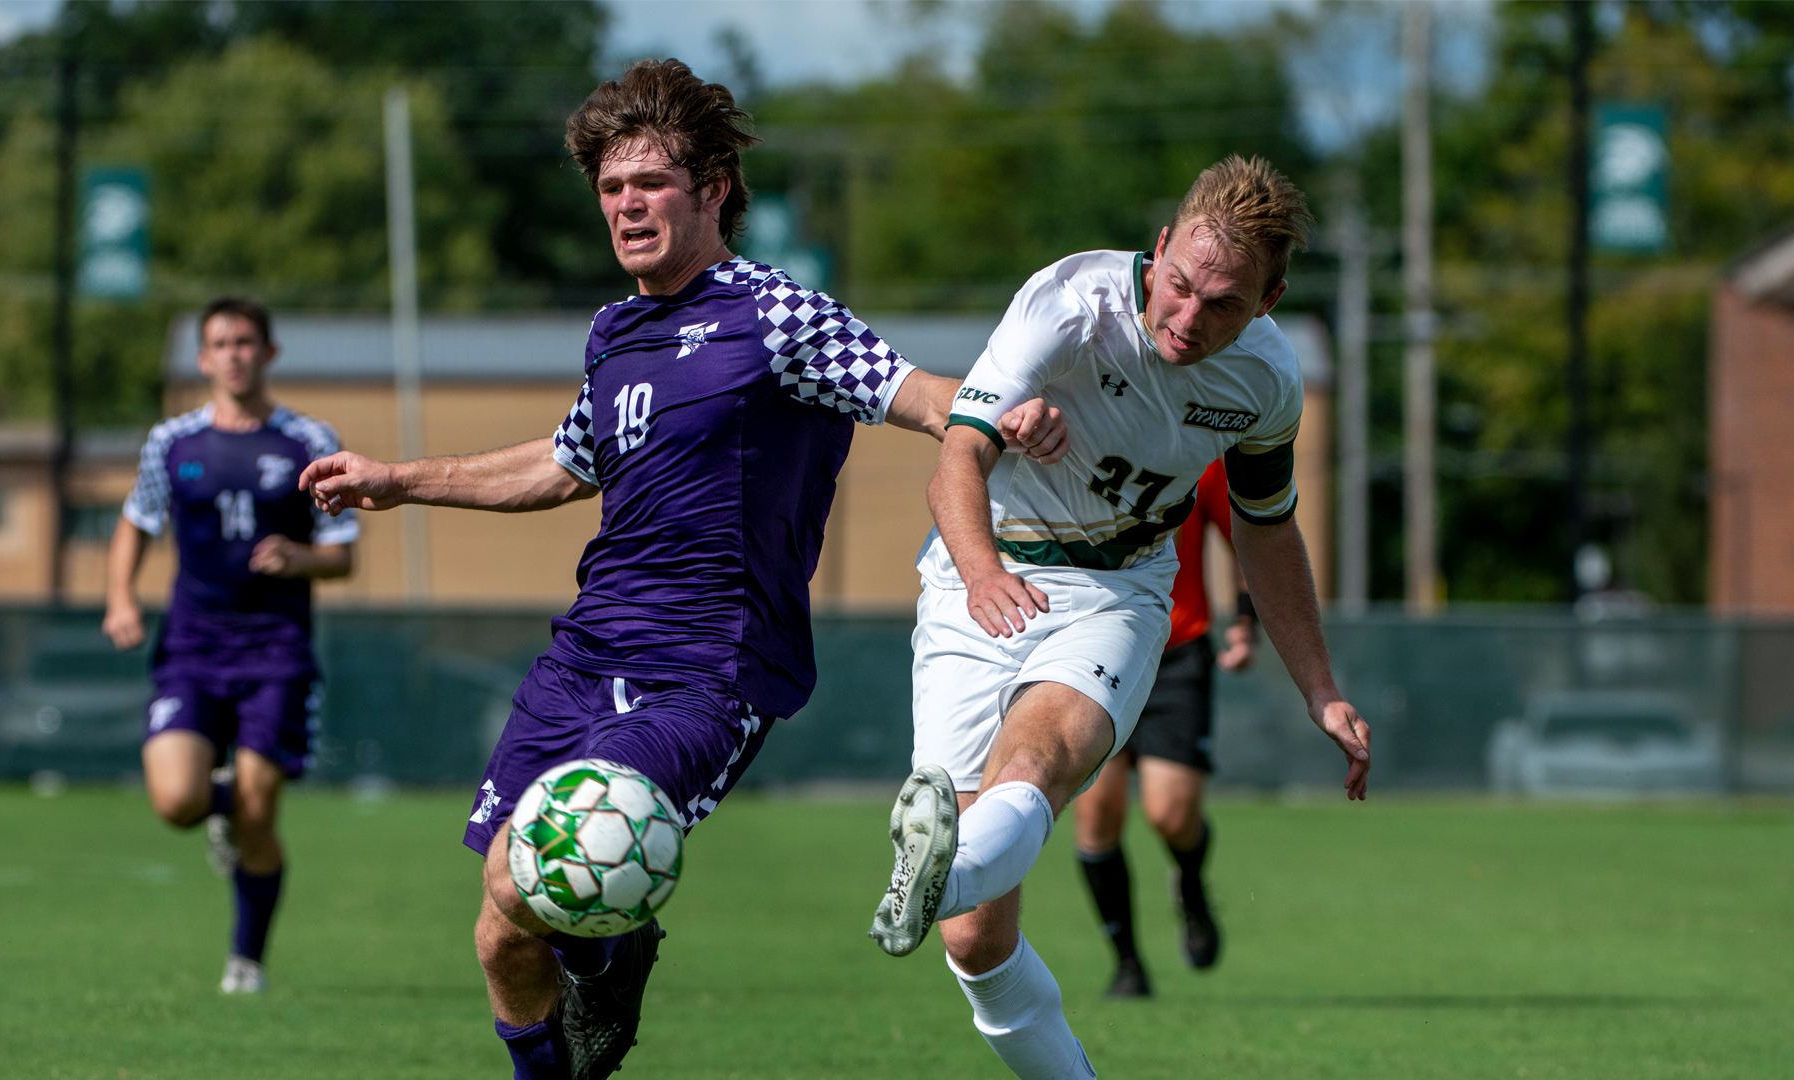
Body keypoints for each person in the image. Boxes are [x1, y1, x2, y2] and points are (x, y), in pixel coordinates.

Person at [297, 59, 1066, 1080]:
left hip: (708, 669)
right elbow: (561, 463)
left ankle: (609, 952)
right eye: (611, 187)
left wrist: (1001, 413)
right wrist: (399, 479)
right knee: (499, 921)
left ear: (712, 191)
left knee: (541, 882)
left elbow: (914, 392)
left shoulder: (778, 317)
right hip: (582, 656)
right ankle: (604, 965)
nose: (627, 205)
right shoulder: (614, 332)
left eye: (651, 183)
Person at [869, 155, 1372, 1080]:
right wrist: (981, 574)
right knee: (975, 938)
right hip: (979, 575)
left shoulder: (1267, 381)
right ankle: (949, 881)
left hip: (1118, 591)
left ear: (1268, 301)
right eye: (1180, 284)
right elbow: (957, 459)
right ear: (1161, 246)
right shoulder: (1068, 302)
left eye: (1223, 304)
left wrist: (1320, 687)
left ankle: (936, 867)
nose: (1188, 318)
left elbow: (1266, 530)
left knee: (1036, 762)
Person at [103, 297, 358, 994]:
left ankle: (246, 959)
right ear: (202, 358)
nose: (234, 355)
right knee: (176, 801)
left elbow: (342, 556)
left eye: (245, 342)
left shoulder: (308, 440)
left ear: (268, 353)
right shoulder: (172, 441)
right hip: (191, 649)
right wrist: (120, 597)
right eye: (220, 344)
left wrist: (299, 558)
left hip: (275, 654)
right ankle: (220, 809)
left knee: (258, 813)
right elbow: (136, 521)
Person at [1069, 457, 1256, 998]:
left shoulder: (1199, 452)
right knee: (1097, 814)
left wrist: (1245, 623)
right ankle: (1127, 963)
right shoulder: (1075, 444)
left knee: (1169, 814)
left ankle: (1191, 886)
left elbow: (1247, 536)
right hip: (1091, 650)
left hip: (1177, 652)